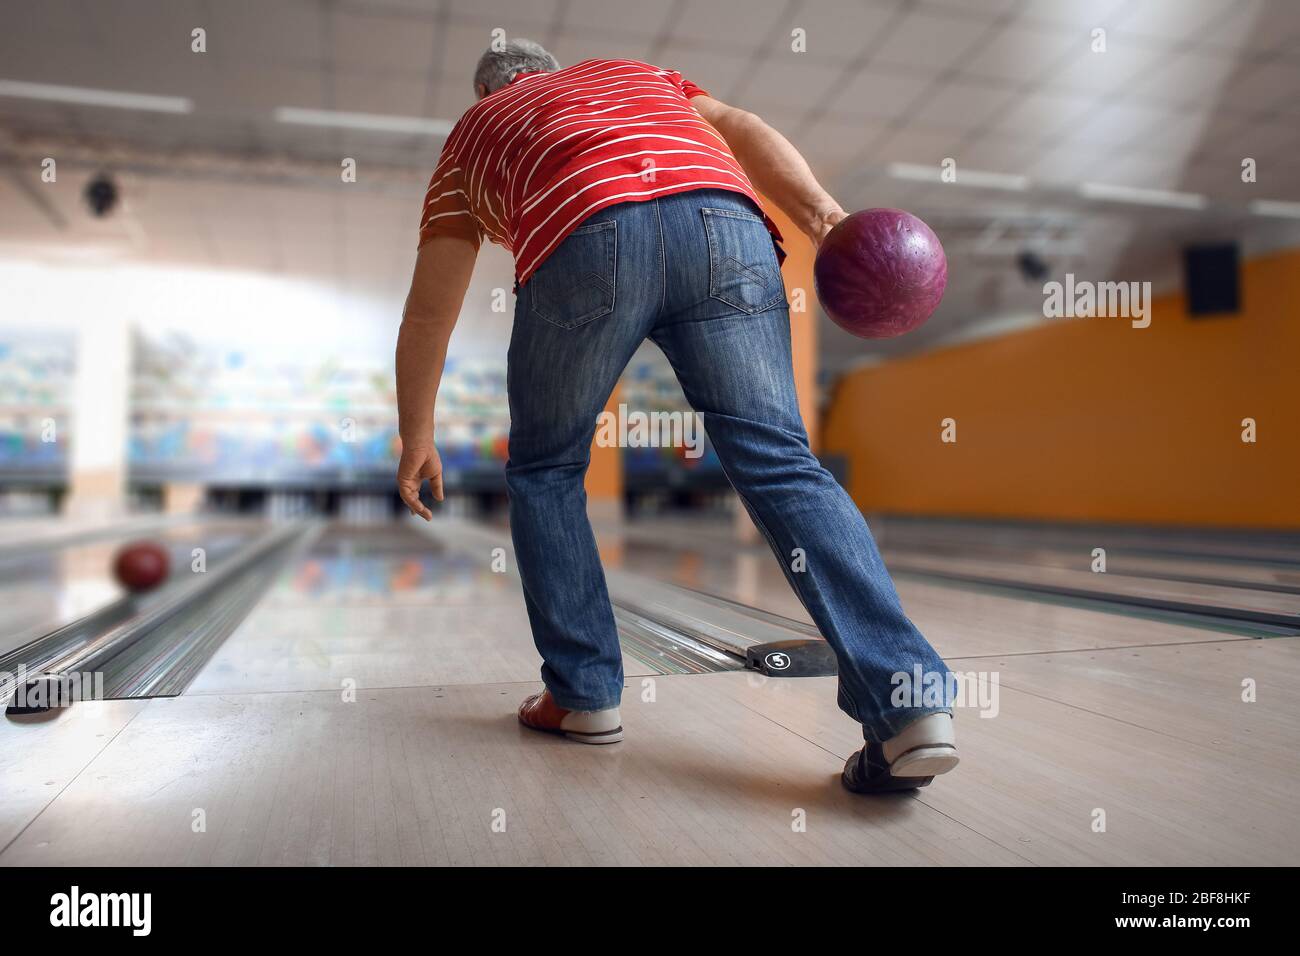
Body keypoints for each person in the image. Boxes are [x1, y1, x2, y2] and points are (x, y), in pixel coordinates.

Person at [395, 40, 958, 793]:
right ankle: (908, 702)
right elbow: (743, 124)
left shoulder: (473, 134)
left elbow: (432, 305)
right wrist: (826, 219)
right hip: (726, 225)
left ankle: (583, 694)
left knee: (546, 468)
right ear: (555, 70)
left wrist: (417, 434)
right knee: (782, 460)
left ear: (484, 92)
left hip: (580, 239)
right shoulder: (637, 74)